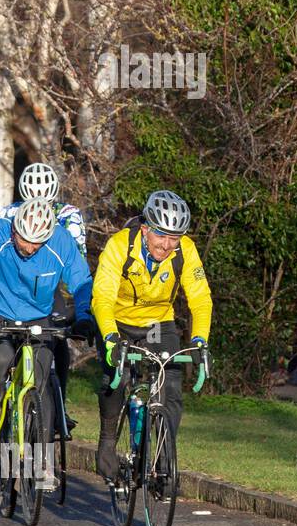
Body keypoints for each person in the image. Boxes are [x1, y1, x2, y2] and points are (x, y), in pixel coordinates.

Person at [0, 198, 94, 491]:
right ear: (15, 227)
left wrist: (84, 316)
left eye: (37, 243)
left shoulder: (61, 241)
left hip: (38, 315)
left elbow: (81, 281)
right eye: (23, 239)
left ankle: (42, 462)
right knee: (2, 358)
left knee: (40, 383)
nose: (28, 247)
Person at [90, 190, 212, 484]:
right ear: (145, 229)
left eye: (175, 238)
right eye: (161, 236)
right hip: (117, 321)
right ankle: (107, 443)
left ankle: (163, 458)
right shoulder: (119, 246)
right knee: (114, 382)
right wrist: (109, 339)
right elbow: (102, 298)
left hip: (159, 324)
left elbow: (200, 299)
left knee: (170, 386)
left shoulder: (185, 250)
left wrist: (199, 341)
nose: (167, 245)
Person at [0, 162, 87, 422]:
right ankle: (0, 396)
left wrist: (80, 303)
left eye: (46, 206)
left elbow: (75, 259)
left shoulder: (69, 215)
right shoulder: (8, 212)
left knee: (57, 336)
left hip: (48, 288)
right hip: (13, 289)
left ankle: (59, 404)